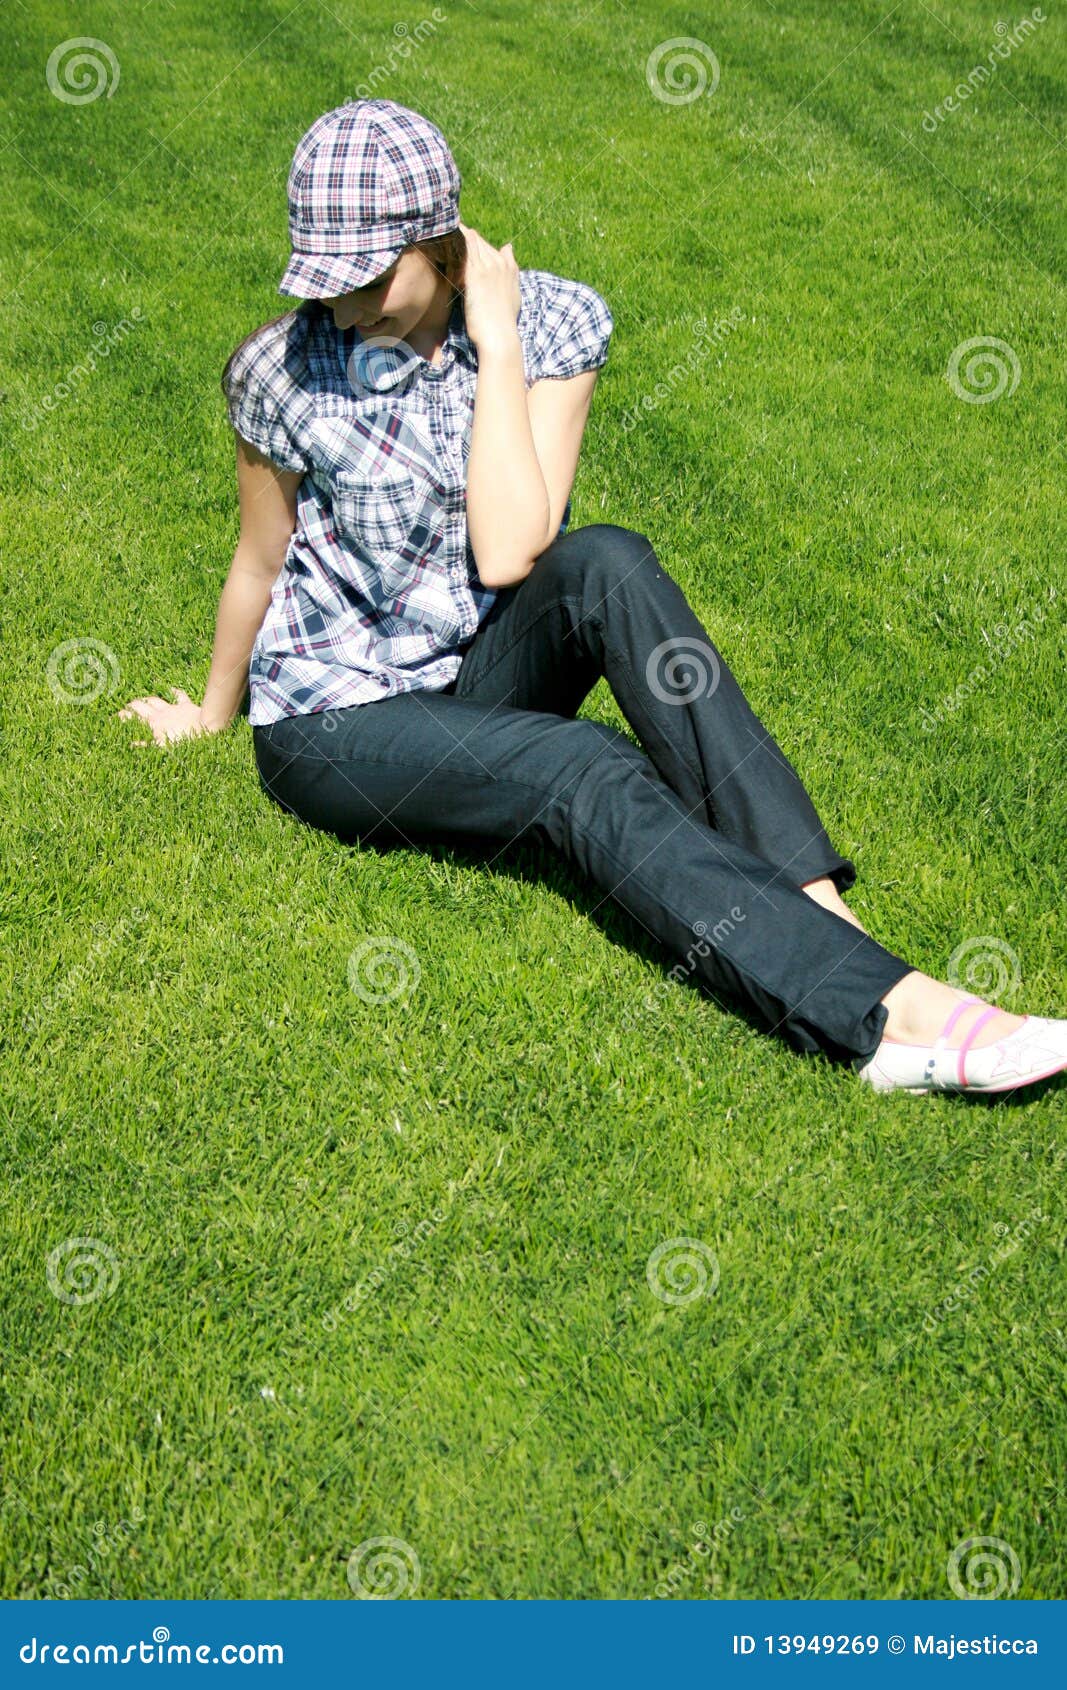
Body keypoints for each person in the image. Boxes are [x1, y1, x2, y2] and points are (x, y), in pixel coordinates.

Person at [118, 98, 1067, 1098]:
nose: (344, 308)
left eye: (365, 279)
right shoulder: (279, 369)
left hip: (466, 685)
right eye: (324, 281)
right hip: (334, 721)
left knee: (606, 559)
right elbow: (260, 562)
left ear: (440, 242)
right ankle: (885, 1016)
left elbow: (517, 543)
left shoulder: (556, 321)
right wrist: (213, 714)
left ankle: (818, 909)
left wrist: (496, 336)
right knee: (580, 762)